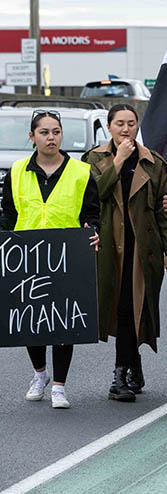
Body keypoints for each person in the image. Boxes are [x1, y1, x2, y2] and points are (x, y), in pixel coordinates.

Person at [2, 109, 100, 409]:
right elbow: (8, 213)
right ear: (32, 136)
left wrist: (94, 232)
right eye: (44, 132)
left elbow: (93, 213)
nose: (51, 137)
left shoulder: (81, 172)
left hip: (66, 258)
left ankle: (59, 385)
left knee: (63, 321)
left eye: (56, 131)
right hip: (27, 260)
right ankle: (40, 374)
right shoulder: (17, 171)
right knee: (31, 321)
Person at [82, 104, 167, 403]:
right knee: (120, 307)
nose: (125, 129)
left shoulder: (154, 162)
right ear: (109, 127)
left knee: (136, 309)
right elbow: (96, 193)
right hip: (109, 246)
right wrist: (117, 161)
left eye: (131, 123)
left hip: (143, 249)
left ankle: (127, 368)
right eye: (119, 123)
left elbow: (162, 211)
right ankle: (125, 370)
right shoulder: (94, 159)